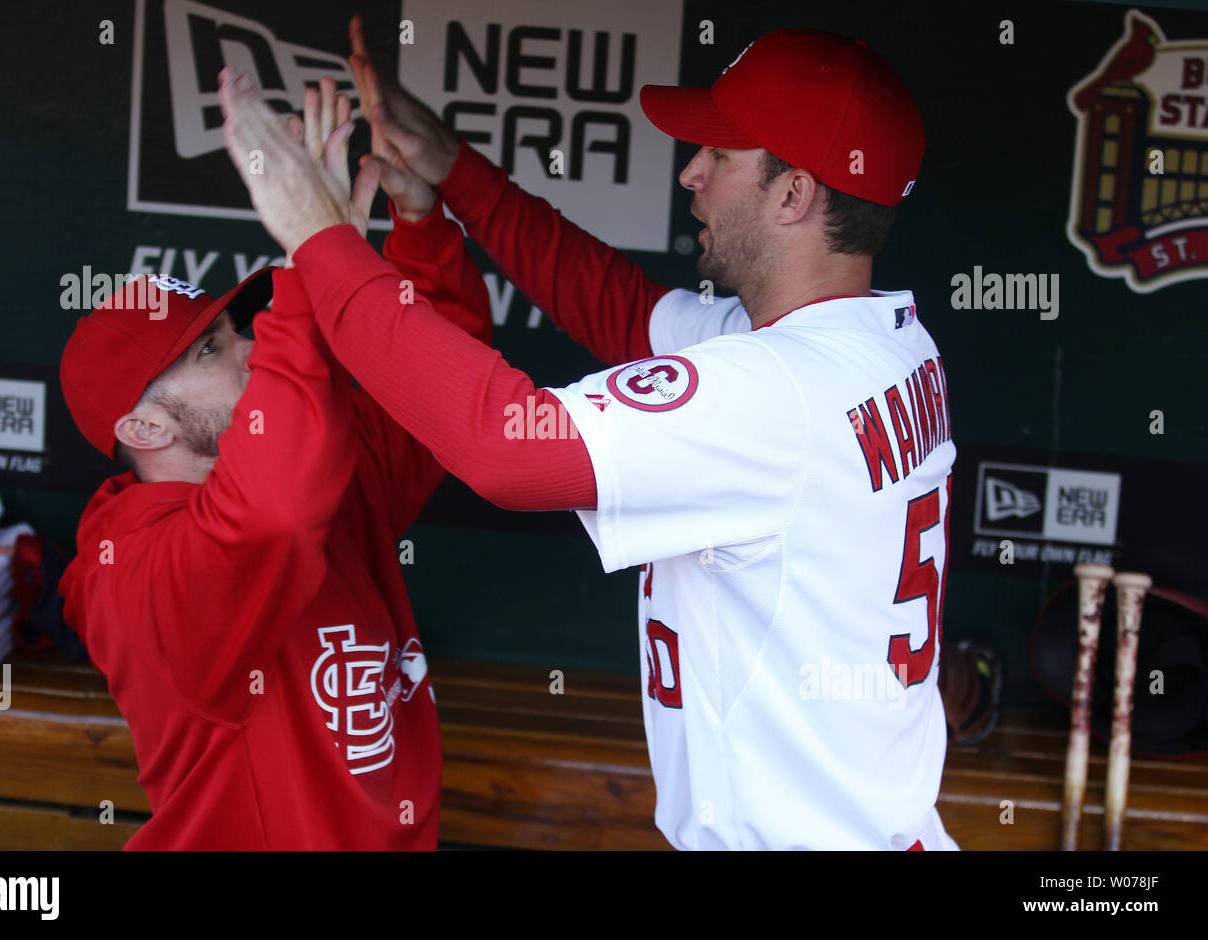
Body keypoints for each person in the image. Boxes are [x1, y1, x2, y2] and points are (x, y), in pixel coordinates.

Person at [220, 21, 957, 850]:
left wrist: (322, 243)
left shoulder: (772, 391)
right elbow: (618, 306)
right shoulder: (879, 344)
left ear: (794, 196)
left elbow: (506, 447)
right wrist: (456, 171)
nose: (692, 172)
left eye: (719, 155)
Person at [56, 84, 492, 848]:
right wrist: (307, 264)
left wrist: (418, 227)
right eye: (210, 350)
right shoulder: (128, 568)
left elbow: (437, 379)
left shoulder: (320, 463)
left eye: (234, 330)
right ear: (142, 425)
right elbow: (267, 516)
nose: (251, 347)